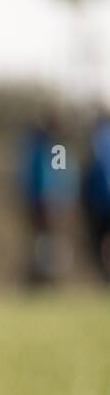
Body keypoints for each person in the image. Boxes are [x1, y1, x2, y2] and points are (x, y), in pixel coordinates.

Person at [17, 111, 76, 287]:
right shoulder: (45, 146)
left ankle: (47, 280)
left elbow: (61, 176)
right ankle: (41, 280)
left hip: (48, 204)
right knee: (44, 244)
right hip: (44, 204)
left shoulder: (51, 147)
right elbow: (52, 177)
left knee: (48, 244)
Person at [82, 109, 110, 283]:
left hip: (100, 202)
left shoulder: (95, 140)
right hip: (100, 199)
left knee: (99, 243)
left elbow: (90, 171)